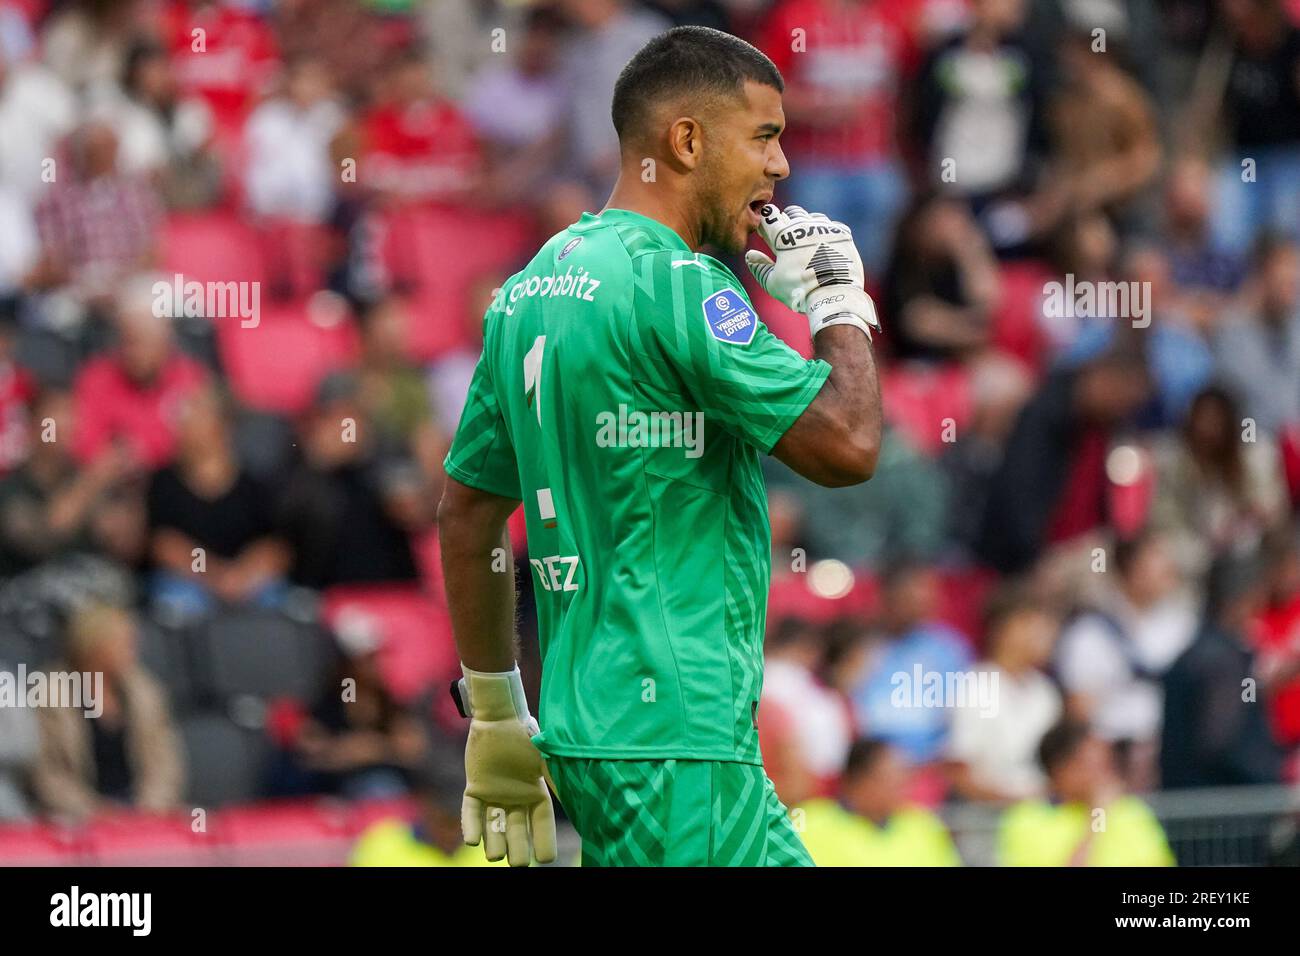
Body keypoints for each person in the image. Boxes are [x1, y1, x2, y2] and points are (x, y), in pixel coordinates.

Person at [437, 25, 883, 867]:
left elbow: (467, 515)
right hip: (677, 739)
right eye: (765, 136)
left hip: (614, 730)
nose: (781, 166)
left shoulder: (528, 288)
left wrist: (497, 712)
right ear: (687, 141)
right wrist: (837, 303)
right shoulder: (679, 285)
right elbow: (849, 446)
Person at [31, 603, 185, 820]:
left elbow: (165, 762)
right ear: (95, 645)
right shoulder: (49, 693)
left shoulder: (145, 690)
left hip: (143, 810)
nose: (134, 651)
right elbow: (45, 774)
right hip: (76, 815)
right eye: (125, 643)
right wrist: (97, 813)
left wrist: (150, 809)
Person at [1161, 543, 1285, 789]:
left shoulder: (1205, 650)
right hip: (1221, 810)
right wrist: (1272, 777)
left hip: (1195, 801)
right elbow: (1218, 740)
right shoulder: (1221, 660)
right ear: (1246, 597)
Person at [999, 719, 1174, 866]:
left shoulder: (1131, 811)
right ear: (1060, 770)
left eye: (1106, 763)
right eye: (1091, 765)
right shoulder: (1027, 819)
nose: (1104, 774)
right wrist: (1097, 817)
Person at [946, 586, 1062, 802]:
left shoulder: (1046, 692)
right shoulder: (975, 685)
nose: (1047, 637)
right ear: (1005, 630)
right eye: (1035, 627)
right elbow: (959, 772)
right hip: (986, 820)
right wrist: (1011, 802)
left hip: (1040, 814)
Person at [797, 739, 962, 867]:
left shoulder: (922, 824)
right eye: (892, 779)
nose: (903, 788)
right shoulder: (810, 822)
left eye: (905, 778)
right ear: (857, 781)